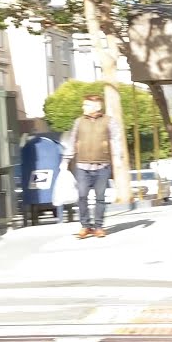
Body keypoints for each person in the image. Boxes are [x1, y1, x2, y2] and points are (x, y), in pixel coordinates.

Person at [61, 94, 127, 239]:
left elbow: (116, 140)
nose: (83, 107)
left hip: (102, 166)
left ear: (96, 107)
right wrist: (65, 160)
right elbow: (72, 141)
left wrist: (117, 158)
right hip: (82, 165)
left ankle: (98, 227)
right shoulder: (79, 122)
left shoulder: (109, 121)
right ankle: (85, 226)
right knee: (82, 196)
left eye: (86, 105)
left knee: (100, 197)